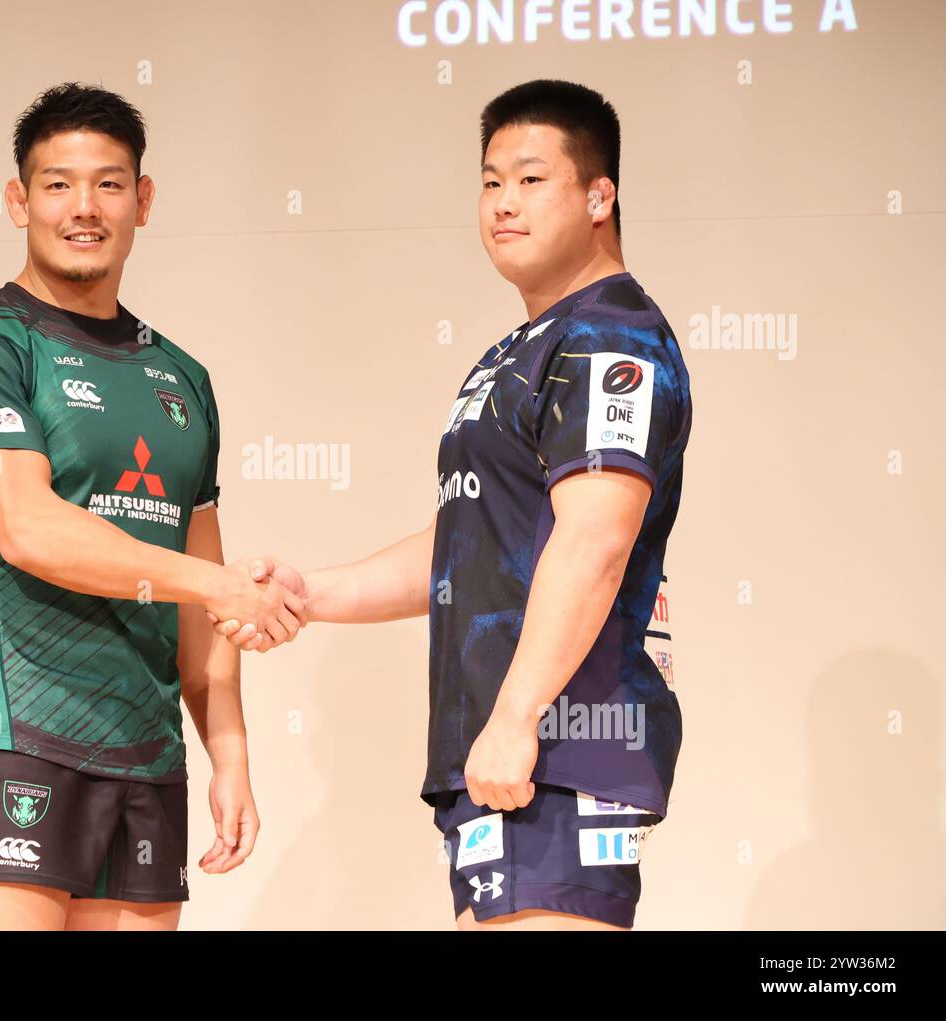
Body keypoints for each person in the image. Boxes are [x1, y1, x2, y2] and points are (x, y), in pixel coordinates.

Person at [212, 79, 692, 931]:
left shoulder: (612, 335)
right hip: (495, 765)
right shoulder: (517, 350)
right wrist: (310, 593)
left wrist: (515, 717)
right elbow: (467, 539)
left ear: (598, 196)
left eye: (532, 179)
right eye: (490, 180)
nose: (504, 203)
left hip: (563, 750)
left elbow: (595, 542)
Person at [0, 83, 305, 931]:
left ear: (143, 200)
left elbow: (203, 601)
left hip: (147, 751)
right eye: (57, 184)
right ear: (19, 201)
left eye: (109, 184)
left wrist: (228, 754)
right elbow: (26, 525)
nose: (83, 208)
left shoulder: (183, 377)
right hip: (15, 735)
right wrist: (217, 583)